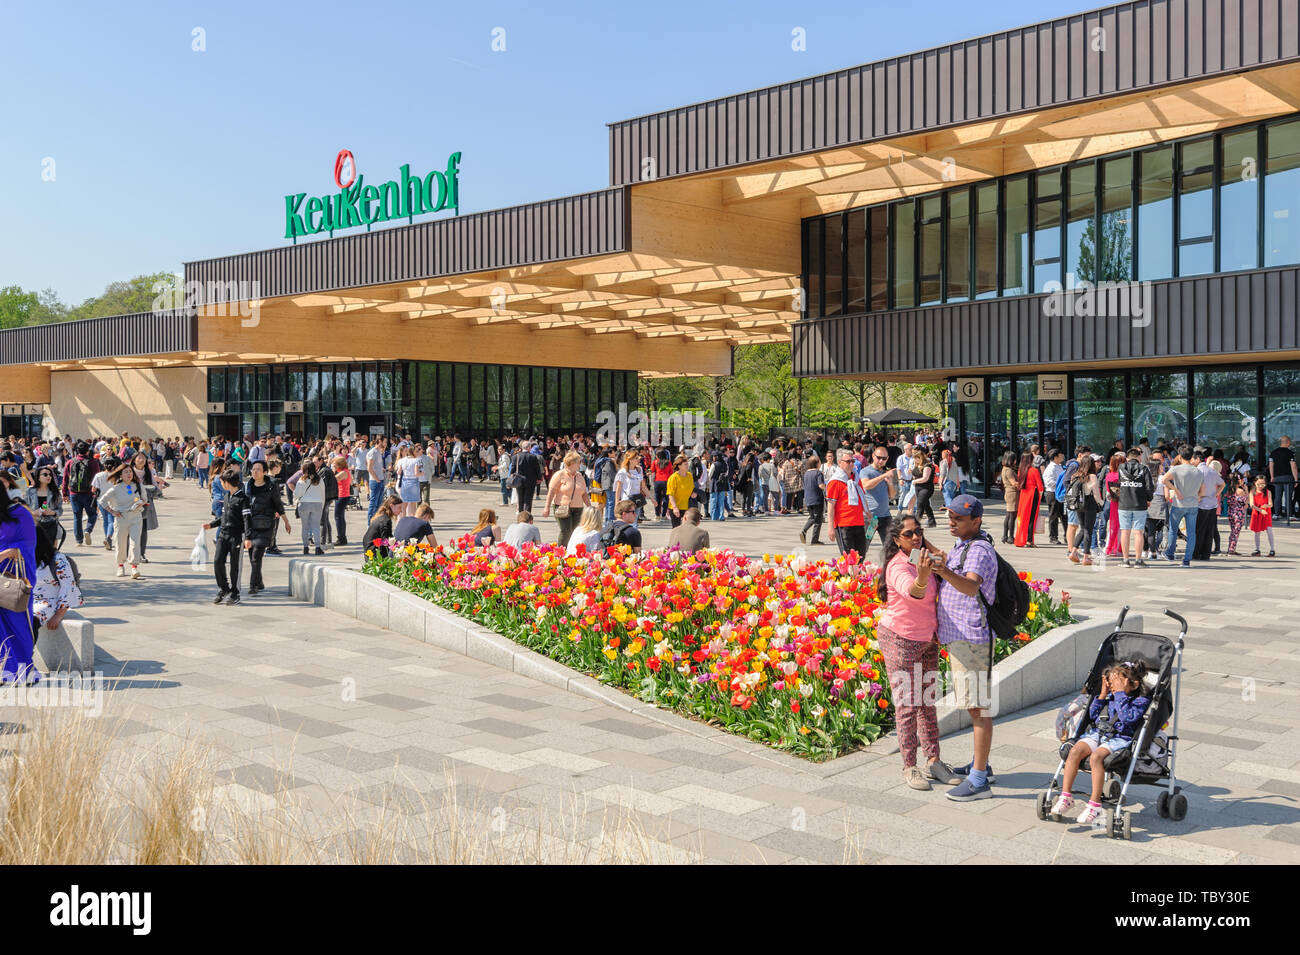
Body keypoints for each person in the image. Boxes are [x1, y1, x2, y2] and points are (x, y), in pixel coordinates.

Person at [874, 515, 957, 791]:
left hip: (926, 639)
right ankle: (909, 767)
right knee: (907, 705)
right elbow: (914, 593)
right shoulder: (898, 566)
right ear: (896, 540)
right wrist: (922, 575)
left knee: (926, 702)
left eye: (919, 532)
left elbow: (945, 559)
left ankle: (933, 761)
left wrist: (924, 547)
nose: (916, 537)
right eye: (908, 534)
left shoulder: (922, 558)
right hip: (900, 639)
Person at [929, 495, 997, 801]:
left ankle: (979, 779)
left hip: (972, 638)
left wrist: (942, 572)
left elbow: (971, 586)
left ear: (976, 521)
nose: (951, 521)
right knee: (974, 705)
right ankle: (980, 764)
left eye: (958, 518)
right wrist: (921, 539)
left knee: (978, 708)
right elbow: (948, 561)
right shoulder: (964, 544)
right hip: (960, 637)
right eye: (950, 516)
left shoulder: (979, 549)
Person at [1053, 661, 1151, 824]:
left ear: (1132, 684)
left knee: (1096, 757)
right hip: (1098, 733)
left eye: (1115, 683)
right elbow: (1092, 715)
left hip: (1120, 738)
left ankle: (1094, 805)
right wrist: (1103, 695)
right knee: (1074, 751)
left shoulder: (1140, 701)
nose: (1113, 687)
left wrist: (1120, 693)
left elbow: (1128, 718)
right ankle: (1066, 796)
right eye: (1111, 683)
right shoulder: (1110, 696)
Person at [0, 469, 41, 683]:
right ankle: (4, 668)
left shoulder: (19, 513)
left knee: (18, 623)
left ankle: (25, 671)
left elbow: (27, 547)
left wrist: (5, 553)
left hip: (12, 579)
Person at [200, 467, 249, 605]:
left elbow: (247, 519)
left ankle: (235, 592)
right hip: (223, 534)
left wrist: (248, 538)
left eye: (222, 481)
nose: (221, 484)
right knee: (217, 561)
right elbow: (223, 516)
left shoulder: (243, 499)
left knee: (235, 566)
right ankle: (224, 588)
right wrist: (212, 524)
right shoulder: (226, 497)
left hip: (237, 536)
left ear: (227, 482)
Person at [244, 460, 290, 595]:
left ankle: (253, 585)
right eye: (253, 469)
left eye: (258, 469)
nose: (255, 472)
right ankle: (259, 581)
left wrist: (286, 521)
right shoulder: (248, 487)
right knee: (252, 555)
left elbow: (278, 505)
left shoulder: (271, 487)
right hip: (251, 526)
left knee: (256, 555)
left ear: (264, 472)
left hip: (266, 525)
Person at [100, 460, 146, 579]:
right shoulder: (116, 488)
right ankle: (120, 565)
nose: (129, 474)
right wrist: (112, 511)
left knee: (135, 543)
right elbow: (102, 501)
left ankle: (134, 567)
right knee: (120, 543)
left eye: (130, 471)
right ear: (120, 474)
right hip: (121, 518)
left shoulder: (138, 486)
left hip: (136, 517)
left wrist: (140, 503)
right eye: (126, 472)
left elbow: (144, 499)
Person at [32, 524, 84, 630]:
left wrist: (58, 615)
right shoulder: (23, 557)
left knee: (29, 622)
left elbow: (68, 586)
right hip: (26, 600)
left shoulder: (57, 559)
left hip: (48, 603)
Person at [1161, 447, 1205, 568]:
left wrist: (1175, 490)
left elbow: (1164, 480)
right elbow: (1203, 491)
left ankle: (1170, 553)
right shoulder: (1199, 472)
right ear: (1192, 457)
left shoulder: (1176, 469)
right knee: (1191, 533)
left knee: (1173, 530)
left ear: (1180, 456)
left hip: (1178, 504)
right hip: (1193, 504)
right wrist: (1196, 496)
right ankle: (1186, 560)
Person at [826, 449, 869, 563]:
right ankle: (847, 579)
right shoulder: (835, 481)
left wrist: (868, 514)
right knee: (849, 559)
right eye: (848, 461)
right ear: (840, 462)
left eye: (853, 461)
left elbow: (862, 498)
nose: (851, 464)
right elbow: (830, 506)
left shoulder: (856, 478)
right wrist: (830, 527)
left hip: (859, 522)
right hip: (843, 524)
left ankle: (857, 579)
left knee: (861, 557)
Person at [1115, 448, 1154, 567]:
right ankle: (1138, 560)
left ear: (1127, 458)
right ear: (1139, 457)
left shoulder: (1121, 468)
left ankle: (1125, 560)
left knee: (1125, 532)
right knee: (1138, 533)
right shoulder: (1144, 469)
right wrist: (1148, 499)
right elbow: (1149, 487)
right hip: (1139, 504)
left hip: (1124, 504)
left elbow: (1118, 484)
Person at [543, 451, 591, 545]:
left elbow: (584, 493)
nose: (580, 464)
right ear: (572, 463)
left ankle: (571, 551)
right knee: (566, 531)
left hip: (578, 508)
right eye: (579, 462)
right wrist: (547, 507)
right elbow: (551, 492)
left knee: (575, 532)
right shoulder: (559, 475)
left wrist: (590, 507)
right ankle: (561, 551)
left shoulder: (580, 476)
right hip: (562, 507)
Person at [61, 440, 100, 546]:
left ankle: (79, 540)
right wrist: (97, 494)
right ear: (88, 451)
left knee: (77, 517)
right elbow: (97, 480)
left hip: (74, 493)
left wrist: (64, 493)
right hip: (89, 493)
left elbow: (65, 479)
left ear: (77, 451)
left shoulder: (70, 462)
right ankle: (88, 530)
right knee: (92, 514)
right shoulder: (93, 463)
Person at [859, 446, 897, 551]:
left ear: (887, 459)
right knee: (863, 546)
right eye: (878, 457)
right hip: (871, 517)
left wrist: (890, 483)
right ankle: (857, 566)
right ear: (873, 456)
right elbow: (866, 485)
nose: (881, 461)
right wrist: (882, 476)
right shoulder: (866, 471)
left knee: (891, 547)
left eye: (884, 459)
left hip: (885, 516)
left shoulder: (885, 472)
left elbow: (892, 495)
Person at [1066, 456, 1103, 566]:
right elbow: (1096, 494)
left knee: (1083, 529)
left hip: (1079, 505)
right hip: (1090, 504)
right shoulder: (1092, 476)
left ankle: (1073, 552)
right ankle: (1086, 557)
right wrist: (1101, 503)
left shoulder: (1075, 475)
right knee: (1088, 531)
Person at [1192, 449, 1224, 561]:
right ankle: (1206, 554)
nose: (1191, 461)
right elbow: (1222, 484)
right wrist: (1215, 494)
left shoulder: (1196, 471)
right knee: (1210, 530)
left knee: (1199, 530)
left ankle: (1197, 553)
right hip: (1212, 504)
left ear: (1197, 459)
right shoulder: (1212, 471)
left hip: (1200, 504)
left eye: (1192, 459)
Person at [294, 461, 327, 556]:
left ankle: (305, 547)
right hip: (317, 504)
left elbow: (296, 494)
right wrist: (322, 505)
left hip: (304, 504)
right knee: (316, 526)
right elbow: (323, 494)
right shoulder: (320, 480)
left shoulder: (301, 480)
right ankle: (317, 547)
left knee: (305, 526)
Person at [1013, 451, 1044, 547]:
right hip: (1032, 495)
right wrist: (1041, 495)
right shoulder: (1034, 470)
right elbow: (1040, 486)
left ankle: (1022, 538)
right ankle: (1029, 540)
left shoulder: (1020, 470)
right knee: (1031, 518)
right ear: (1031, 459)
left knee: (1023, 517)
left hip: (1024, 495)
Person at [27, 465, 63, 545]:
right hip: (34, 525)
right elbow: (24, 509)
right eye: (45, 474)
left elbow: (60, 510)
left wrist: (52, 513)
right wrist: (32, 513)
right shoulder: (30, 491)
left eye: (50, 475)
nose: (49, 476)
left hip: (51, 525)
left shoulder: (55, 492)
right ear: (38, 477)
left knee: (51, 553)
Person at [1269, 435, 1297, 525]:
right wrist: (1296, 478)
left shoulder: (1273, 452)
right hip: (1288, 477)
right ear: (1288, 442)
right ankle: (1289, 515)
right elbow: (1293, 466)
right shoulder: (1290, 453)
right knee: (1288, 496)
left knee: (1278, 496)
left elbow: (1271, 465)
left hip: (1277, 477)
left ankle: (1277, 514)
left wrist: (1272, 476)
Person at [799, 455, 825, 545]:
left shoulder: (806, 473)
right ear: (817, 463)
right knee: (817, 519)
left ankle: (810, 536)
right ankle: (809, 535)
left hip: (808, 498)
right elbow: (821, 485)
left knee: (812, 517)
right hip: (817, 498)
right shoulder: (818, 473)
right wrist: (827, 487)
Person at [1042, 449, 1066, 544]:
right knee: (1054, 516)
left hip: (1060, 493)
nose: (1062, 456)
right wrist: (1060, 484)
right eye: (1061, 454)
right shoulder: (1051, 468)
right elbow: (1048, 482)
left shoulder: (1059, 466)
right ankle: (1053, 537)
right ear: (1055, 457)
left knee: (1064, 516)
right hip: (1052, 493)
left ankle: (1066, 536)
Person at [665, 455, 694, 528]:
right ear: (679, 466)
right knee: (677, 530)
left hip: (687, 507)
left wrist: (694, 493)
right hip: (676, 507)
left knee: (687, 529)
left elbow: (692, 488)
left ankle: (684, 540)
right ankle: (677, 540)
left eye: (687, 464)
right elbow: (670, 494)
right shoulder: (673, 478)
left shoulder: (689, 476)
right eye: (685, 464)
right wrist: (675, 508)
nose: (687, 466)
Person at [1249, 475, 1275, 557]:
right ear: (1255, 483)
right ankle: (1257, 549)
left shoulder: (1268, 492)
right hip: (1257, 513)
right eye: (1258, 484)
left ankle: (1272, 549)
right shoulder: (1252, 491)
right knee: (1257, 532)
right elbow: (1252, 505)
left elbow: (1271, 504)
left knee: (1269, 530)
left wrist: (1266, 506)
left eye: (1263, 484)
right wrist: (1260, 510)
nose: (1260, 486)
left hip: (1266, 513)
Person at [1225, 472, 1249, 555]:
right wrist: (1246, 490)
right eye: (1242, 479)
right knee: (1236, 532)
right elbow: (1246, 502)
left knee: (1233, 531)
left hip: (1231, 512)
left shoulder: (1230, 490)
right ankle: (1232, 549)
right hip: (1239, 513)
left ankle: (1230, 548)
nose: (1243, 481)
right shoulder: (1240, 491)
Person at [999, 451, 1020, 543]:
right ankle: (1010, 537)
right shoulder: (1009, 471)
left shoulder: (1004, 469)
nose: (1015, 461)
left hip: (1009, 493)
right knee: (1012, 516)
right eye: (1014, 459)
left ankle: (1005, 536)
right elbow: (1014, 483)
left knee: (1008, 515)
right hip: (1012, 494)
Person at [331, 455, 352, 546]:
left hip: (342, 496)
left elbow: (332, 480)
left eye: (335, 464)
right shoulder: (343, 471)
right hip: (342, 495)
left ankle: (341, 538)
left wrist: (333, 470)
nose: (334, 466)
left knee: (338, 517)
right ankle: (342, 537)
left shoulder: (343, 472)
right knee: (340, 517)